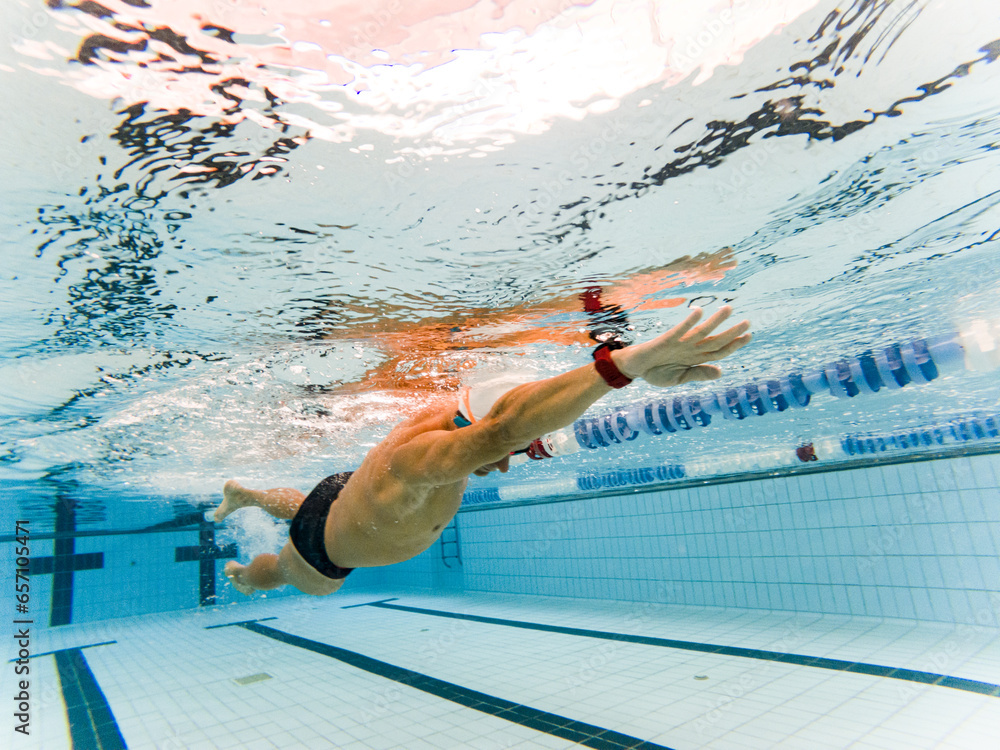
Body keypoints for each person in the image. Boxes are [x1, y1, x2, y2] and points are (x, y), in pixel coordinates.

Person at [213, 305, 751, 596]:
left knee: (315, 498)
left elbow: (509, 425)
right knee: (282, 573)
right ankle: (242, 570)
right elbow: (502, 433)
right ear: (469, 425)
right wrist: (626, 364)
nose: (511, 459)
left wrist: (627, 369)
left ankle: (253, 493)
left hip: (351, 504)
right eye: (520, 448)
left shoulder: (445, 428)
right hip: (326, 549)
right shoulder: (419, 460)